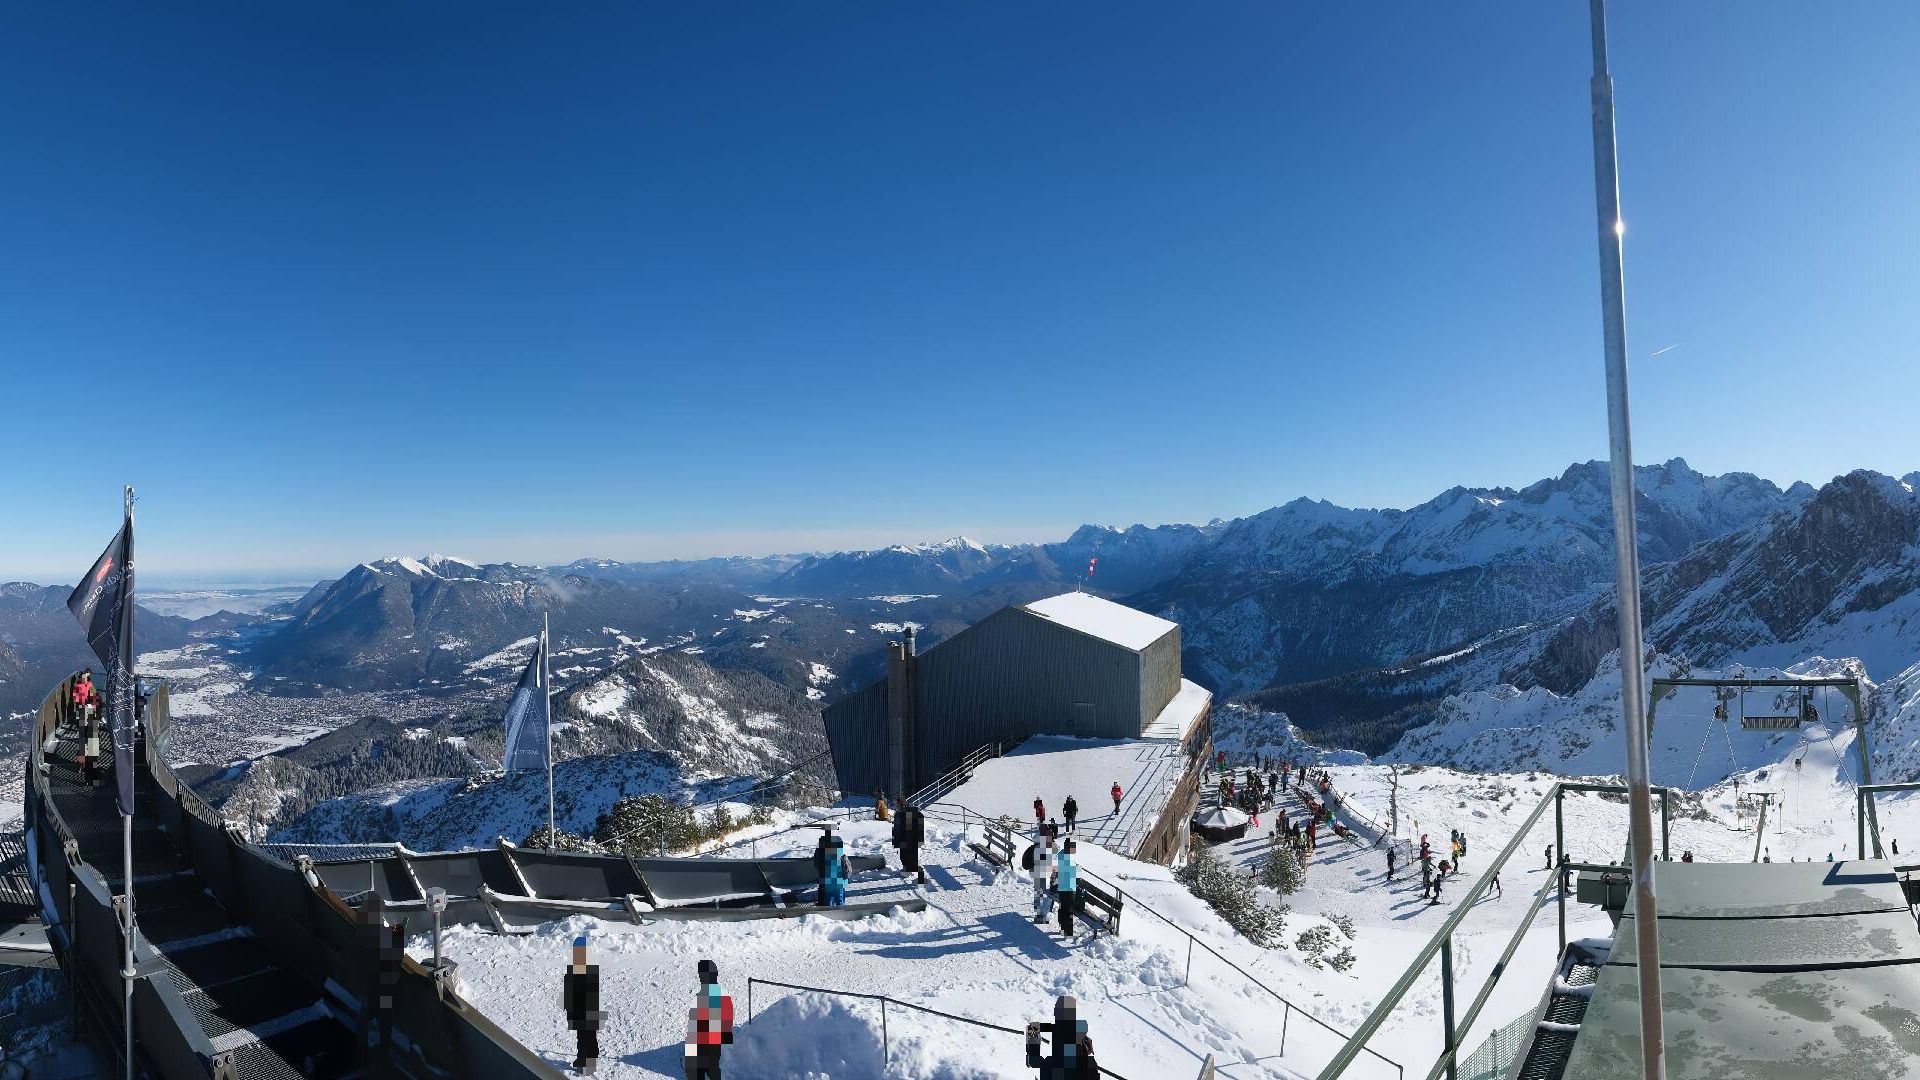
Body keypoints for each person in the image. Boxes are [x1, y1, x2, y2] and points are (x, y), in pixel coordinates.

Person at [684, 958, 733, 1080]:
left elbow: (726, 1020)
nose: (701, 978)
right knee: (708, 1069)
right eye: (700, 975)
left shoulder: (715, 994)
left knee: (706, 1070)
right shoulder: (713, 994)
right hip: (706, 1042)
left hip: (708, 1042)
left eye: (702, 975)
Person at [563, 936, 602, 1074]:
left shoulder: (588, 969)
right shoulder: (575, 969)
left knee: (587, 1037)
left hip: (586, 1010)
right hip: (580, 1010)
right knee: (583, 1036)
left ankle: (588, 1063)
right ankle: (583, 1060)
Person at [892, 801, 926, 884]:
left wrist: (895, 842)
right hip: (913, 839)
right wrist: (920, 841)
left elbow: (896, 830)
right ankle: (916, 876)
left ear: (899, 805)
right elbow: (920, 828)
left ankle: (911, 873)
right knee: (912, 857)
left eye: (896, 805)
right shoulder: (917, 813)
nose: (895, 806)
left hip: (903, 839)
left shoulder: (898, 814)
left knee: (904, 857)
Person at [1029, 829, 1057, 923]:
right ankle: (1040, 916)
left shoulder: (1037, 844)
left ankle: (1038, 910)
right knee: (1046, 893)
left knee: (1039, 891)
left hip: (1036, 871)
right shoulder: (1044, 847)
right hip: (1043, 872)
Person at [1055, 839, 1080, 937]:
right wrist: (1078, 868)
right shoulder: (1066, 857)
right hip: (1069, 886)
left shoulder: (1061, 855)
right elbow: (1070, 870)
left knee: (1063, 907)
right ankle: (1068, 932)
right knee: (1069, 910)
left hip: (1062, 886)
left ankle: (1063, 928)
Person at [822, 834, 850, 907]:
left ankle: (827, 911)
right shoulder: (842, 857)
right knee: (839, 900)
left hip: (828, 883)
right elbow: (847, 869)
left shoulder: (825, 856)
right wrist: (845, 880)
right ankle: (840, 911)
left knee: (828, 899)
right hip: (839, 883)